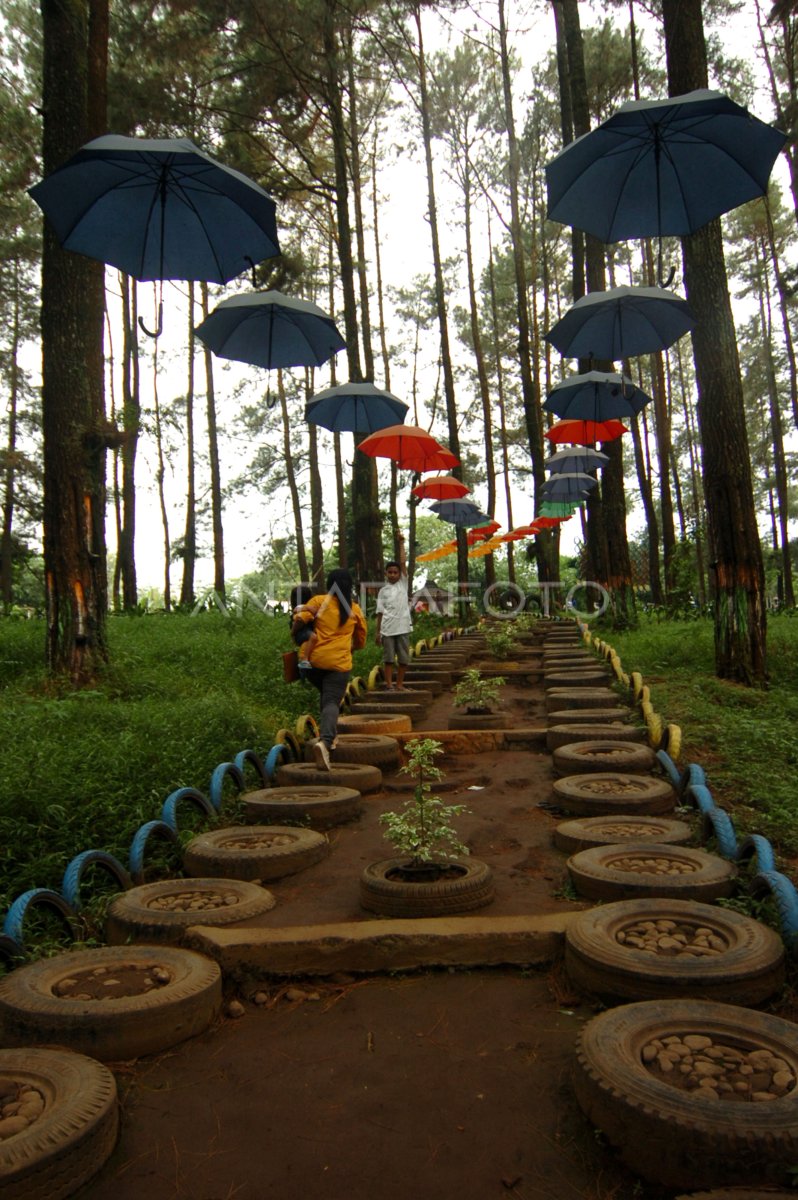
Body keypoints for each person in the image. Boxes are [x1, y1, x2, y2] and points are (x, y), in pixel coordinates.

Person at [291, 568, 367, 771]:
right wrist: (351, 648)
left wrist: (295, 635)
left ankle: (330, 737)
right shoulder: (354, 609)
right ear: (349, 585)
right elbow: (361, 639)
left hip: (313, 663)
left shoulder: (318, 601)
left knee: (327, 698)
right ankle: (325, 743)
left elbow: (301, 618)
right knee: (332, 701)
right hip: (338, 664)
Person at [375, 532, 412, 691]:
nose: (393, 574)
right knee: (388, 659)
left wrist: (401, 543)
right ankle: (389, 684)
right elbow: (379, 613)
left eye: (395, 572)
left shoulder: (403, 584)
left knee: (403, 658)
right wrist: (378, 632)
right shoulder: (383, 591)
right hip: (387, 629)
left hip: (403, 627)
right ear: (386, 573)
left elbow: (403, 562)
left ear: (399, 574)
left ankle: (400, 684)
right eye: (389, 572)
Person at [289, 584, 317, 676]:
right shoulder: (303, 611)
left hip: (302, 636)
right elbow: (300, 621)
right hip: (303, 633)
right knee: (311, 638)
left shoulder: (300, 609)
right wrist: (292, 633)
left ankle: (303, 671)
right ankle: (303, 666)